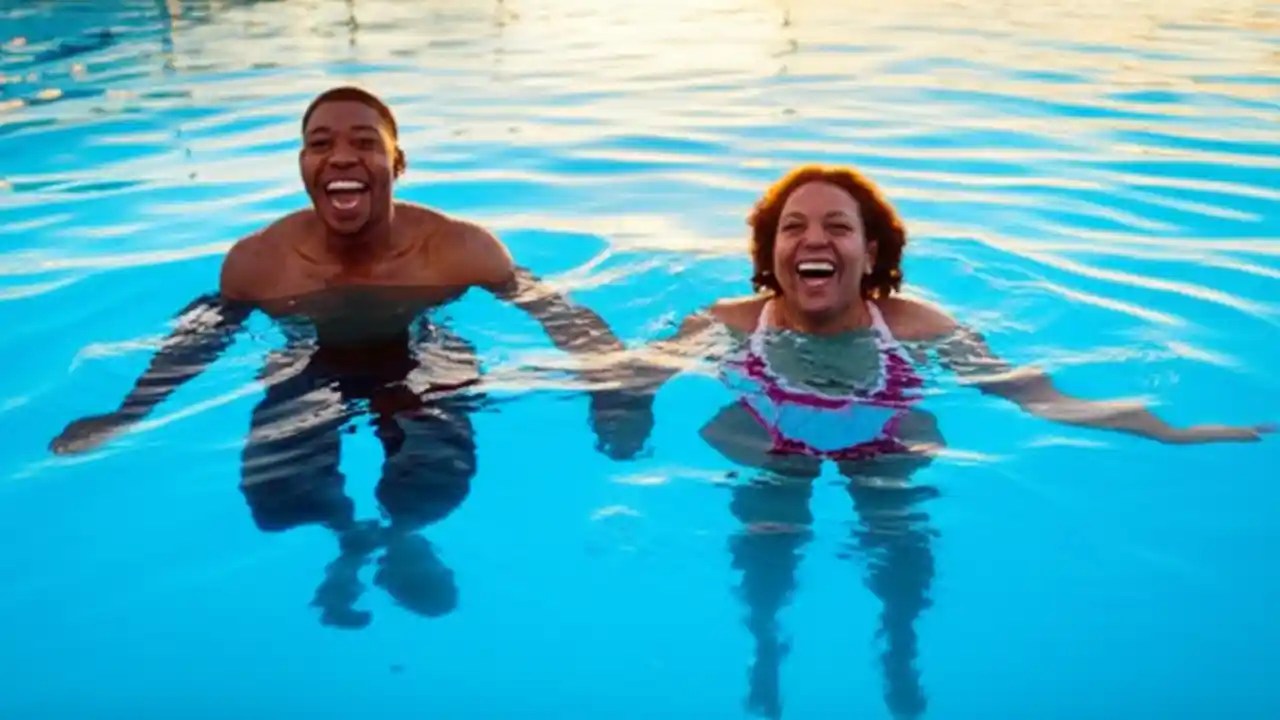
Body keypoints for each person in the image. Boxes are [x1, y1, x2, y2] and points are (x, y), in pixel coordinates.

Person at [605, 164, 1271, 718]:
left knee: (899, 548)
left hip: (883, 438)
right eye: (794, 228)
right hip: (770, 439)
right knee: (767, 550)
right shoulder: (726, 322)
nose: (815, 240)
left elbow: (1035, 395)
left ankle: (899, 647)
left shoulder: (917, 326)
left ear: (871, 254)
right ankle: (765, 655)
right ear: (769, 253)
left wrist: (1170, 432)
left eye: (839, 227)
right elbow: (630, 374)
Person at [49, 85, 649, 627]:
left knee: (434, 483)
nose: (339, 156)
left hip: (424, 359)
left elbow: (558, 313)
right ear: (304, 166)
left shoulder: (458, 248)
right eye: (319, 144)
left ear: (397, 163)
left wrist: (612, 388)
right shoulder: (259, 262)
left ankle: (402, 536)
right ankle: (348, 539)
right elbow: (199, 339)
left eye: (365, 142)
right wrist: (127, 413)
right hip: (307, 364)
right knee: (278, 498)